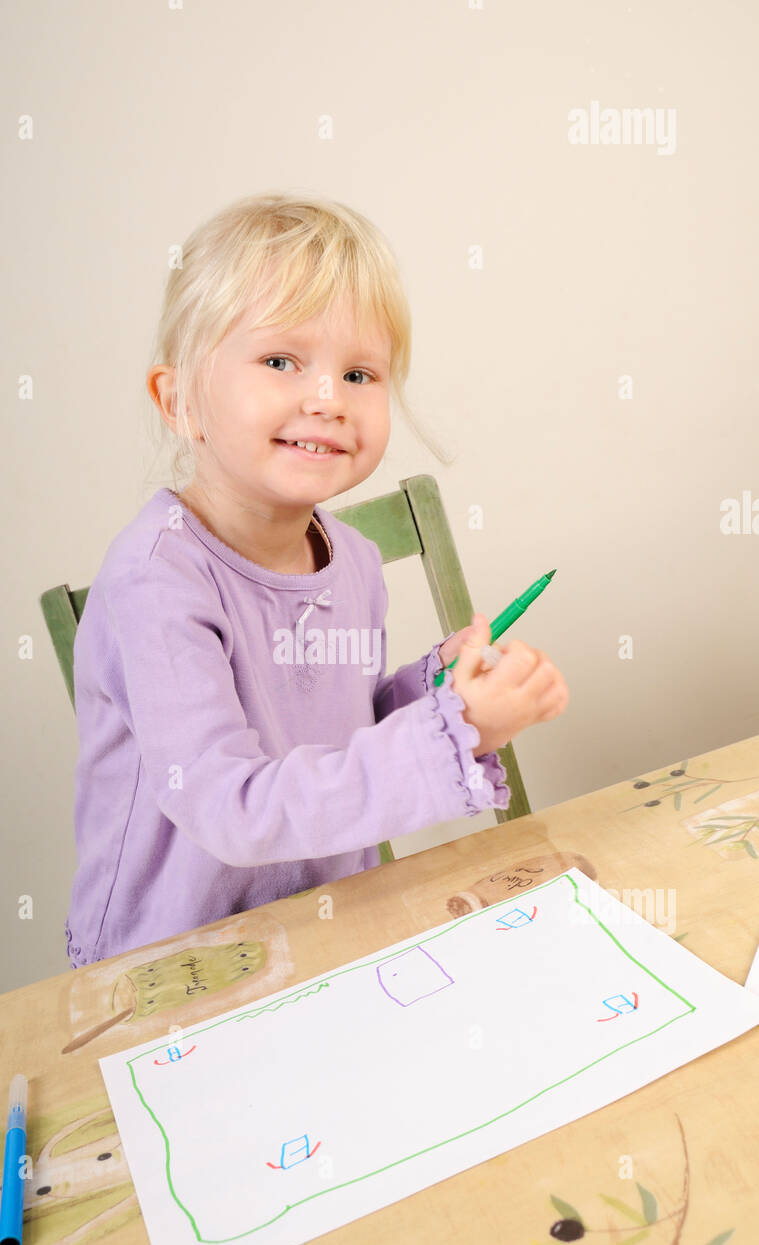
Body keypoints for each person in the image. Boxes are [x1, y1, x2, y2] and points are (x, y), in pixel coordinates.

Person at [64, 192, 569, 967]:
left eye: (360, 372)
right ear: (180, 400)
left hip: (330, 931)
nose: (329, 399)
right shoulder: (155, 585)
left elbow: (345, 727)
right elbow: (231, 809)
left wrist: (447, 697)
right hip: (171, 966)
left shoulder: (353, 560)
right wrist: (446, 734)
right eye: (279, 361)